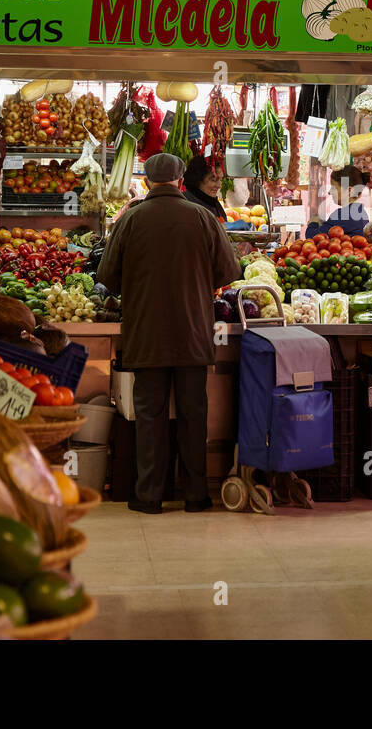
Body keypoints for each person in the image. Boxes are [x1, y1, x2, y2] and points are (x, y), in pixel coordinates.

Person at [97, 153, 241, 515]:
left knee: (150, 416)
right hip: (193, 332)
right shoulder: (202, 218)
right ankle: (195, 495)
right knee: (194, 415)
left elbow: (107, 276)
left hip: (145, 333)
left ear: (147, 181)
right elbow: (229, 269)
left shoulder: (130, 220)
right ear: (180, 180)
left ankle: (149, 496)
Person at [306, 164, 369, 238]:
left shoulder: (345, 215)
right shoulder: (360, 212)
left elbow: (313, 237)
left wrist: (313, 223)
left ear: (349, 191)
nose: (329, 192)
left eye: (333, 188)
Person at [183, 155, 226, 220]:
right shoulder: (187, 205)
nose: (219, 185)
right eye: (213, 180)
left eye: (220, 179)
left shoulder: (210, 200)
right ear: (197, 179)